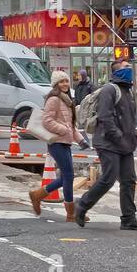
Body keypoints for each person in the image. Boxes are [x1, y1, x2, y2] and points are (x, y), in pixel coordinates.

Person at [74, 69, 137, 231]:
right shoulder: (109, 90)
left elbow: (127, 118)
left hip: (125, 144)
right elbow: (104, 117)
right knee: (109, 178)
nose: (130, 70)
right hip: (108, 143)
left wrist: (131, 135)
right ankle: (82, 204)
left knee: (129, 180)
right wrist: (119, 136)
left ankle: (128, 218)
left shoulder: (127, 91)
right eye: (124, 66)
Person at [29, 70, 90, 222]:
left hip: (65, 143)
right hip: (57, 142)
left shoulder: (68, 100)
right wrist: (63, 130)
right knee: (68, 176)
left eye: (66, 81)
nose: (64, 84)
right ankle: (71, 214)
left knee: (65, 177)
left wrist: (81, 140)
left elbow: (71, 125)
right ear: (55, 84)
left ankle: (37, 195)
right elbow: (46, 120)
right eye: (61, 82)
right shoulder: (54, 99)